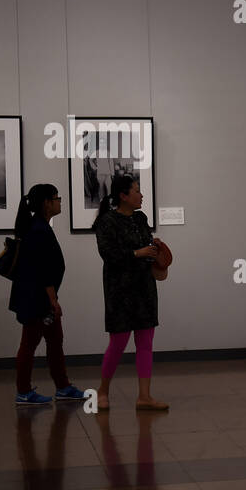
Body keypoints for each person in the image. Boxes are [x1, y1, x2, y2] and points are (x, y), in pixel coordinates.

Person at [93, 174, 168, 411]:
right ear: (123, 196)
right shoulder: (107, 221)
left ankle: (144, 396)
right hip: (119, 288)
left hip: (144, 286)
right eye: (136, 190)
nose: (141, 194)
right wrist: (138, 253)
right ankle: (102, 391)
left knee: (145, 342)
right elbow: (108, 254)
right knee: (118, 342)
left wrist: (154, 248)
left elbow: (146, 246)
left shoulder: (140, 218)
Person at [8, 184, 86, 405]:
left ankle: (63, 387)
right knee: (29, 343)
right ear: (46, 203)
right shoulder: (38, 230)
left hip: (39, 297)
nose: (60, 201)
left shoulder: (39, 226)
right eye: (56, 198)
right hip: (37, 299)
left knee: (54, 340)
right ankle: (23, 392)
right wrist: (52, 300)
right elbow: (42, 270)